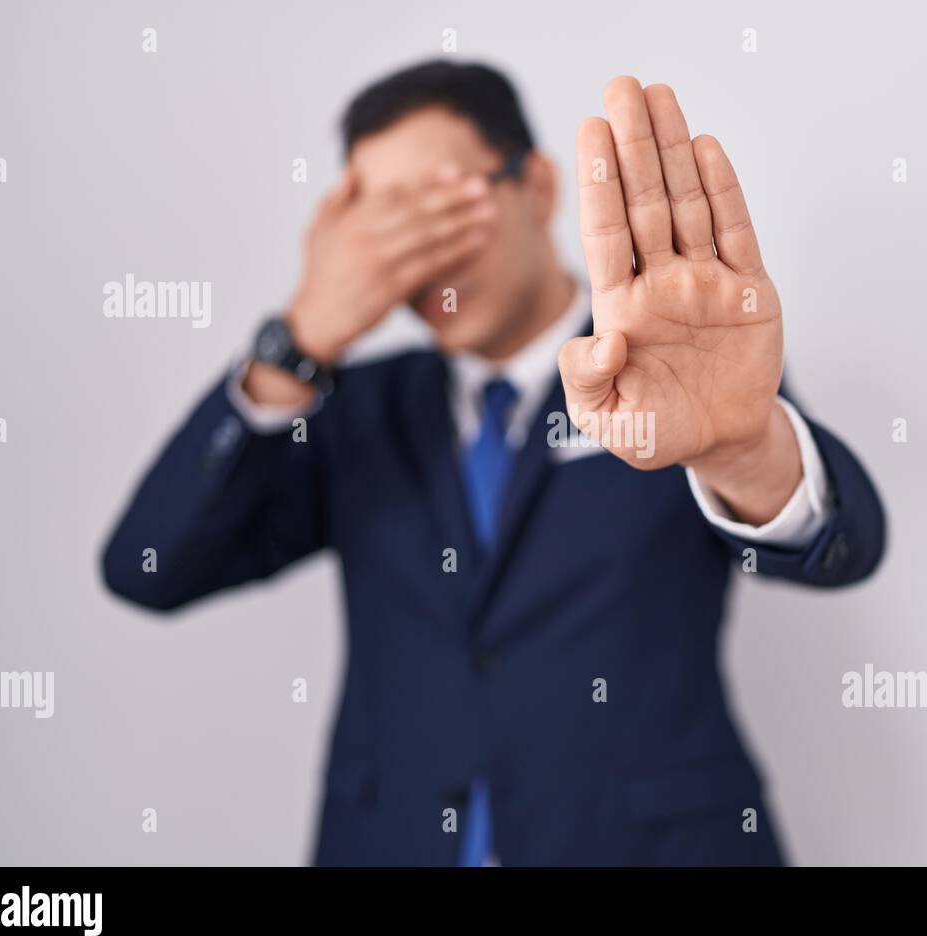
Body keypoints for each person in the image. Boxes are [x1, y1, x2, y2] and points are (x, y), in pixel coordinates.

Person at [102, 60, 886, 866]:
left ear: (538, 187)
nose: (423, 256)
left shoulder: (666, 370)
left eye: (447, 207)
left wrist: (741, 447)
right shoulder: (351, 412)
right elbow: (147, 569)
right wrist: (294, 343)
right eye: (386, 229)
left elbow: (841, 548)